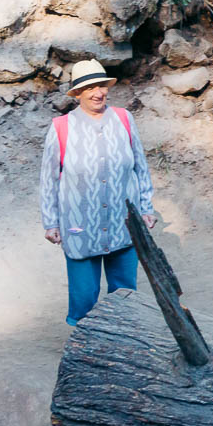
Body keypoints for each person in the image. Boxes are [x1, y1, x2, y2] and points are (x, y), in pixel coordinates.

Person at [39, 59, 156, 326]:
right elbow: (49, 180)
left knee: (125, 295)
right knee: (83, 299)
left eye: (101, 85)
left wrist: (146, 207)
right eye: (89, 87)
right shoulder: (61, 127)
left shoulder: (124, 119)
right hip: (80, 226)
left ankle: (125, 344)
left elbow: (140, 166)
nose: (98, 92)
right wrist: (51, 222)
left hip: (123, 222)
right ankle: (84, 353)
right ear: (77, 93)